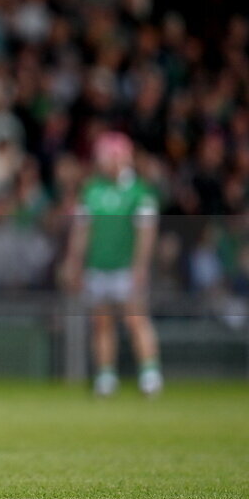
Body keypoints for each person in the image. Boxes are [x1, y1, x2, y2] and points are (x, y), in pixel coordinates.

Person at [62, 131, 163, 397]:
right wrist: (74, 263)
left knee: (136, 320)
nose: (102, 162)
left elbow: (146, 234)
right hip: (98, 267)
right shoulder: (92, 190)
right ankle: (106, 376)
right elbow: (81, 231)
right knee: (101, 322)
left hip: (126, 268)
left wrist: (140, 267)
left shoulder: (140, 192)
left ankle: (150, 374)